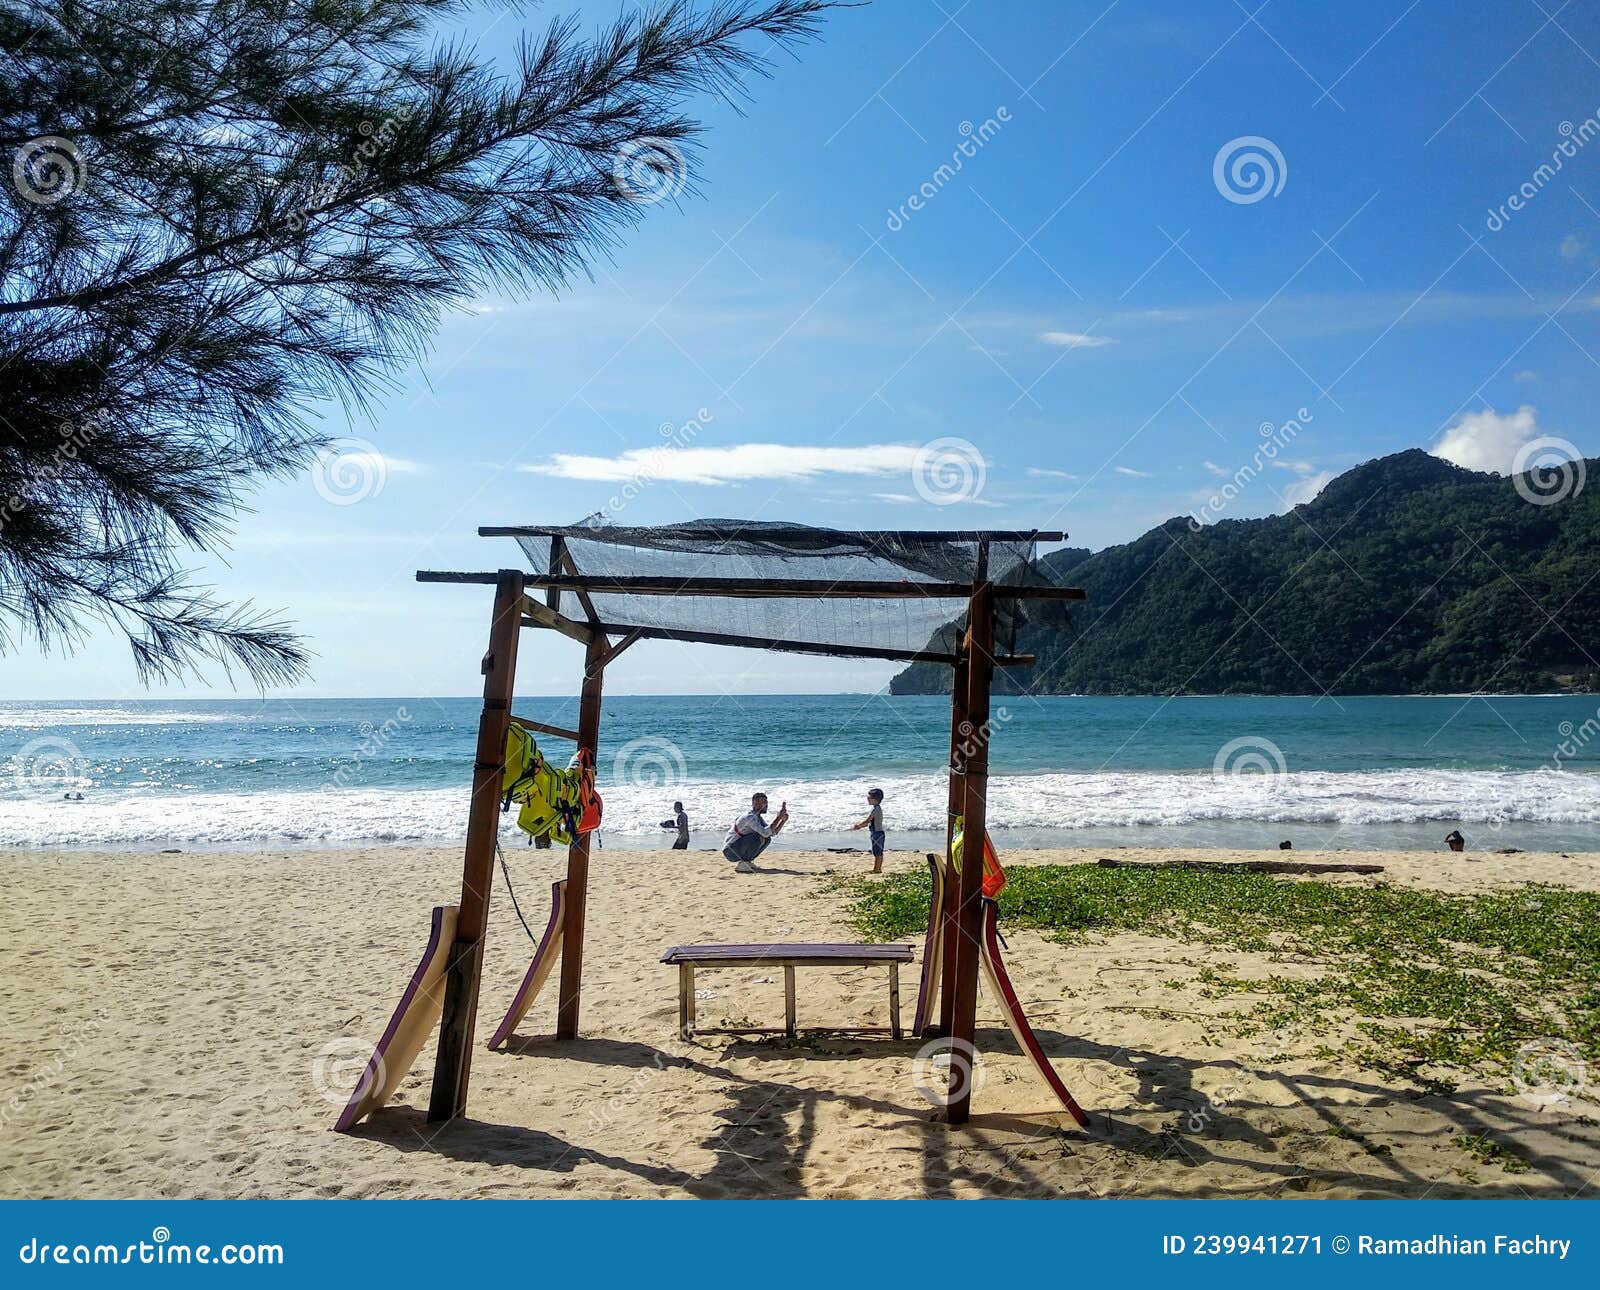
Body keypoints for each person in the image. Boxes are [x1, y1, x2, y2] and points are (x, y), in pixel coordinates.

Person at [723, 793, 788, 873]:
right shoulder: (749, 817)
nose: (766, 805)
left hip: (737, 848)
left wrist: (783, 821)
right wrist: (778, 817)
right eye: (763, 802)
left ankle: (747, 862)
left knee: (767, 839)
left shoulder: (758, 818)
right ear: (754, 804)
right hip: (730, 851)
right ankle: (743, 864)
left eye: (766, 803)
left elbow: (772, 833)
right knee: (757, 837)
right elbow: (765, 833)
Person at [851, 787, 887, 873]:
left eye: (869, 797)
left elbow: (867, 821)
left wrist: (859, 826)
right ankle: (877, 869)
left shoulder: (876, 810)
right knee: (876, 852)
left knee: (878, 852)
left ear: (875, 800)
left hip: (877, 833)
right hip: (876, 833)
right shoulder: (876, 808)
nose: (867, 799)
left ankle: (877, 869)